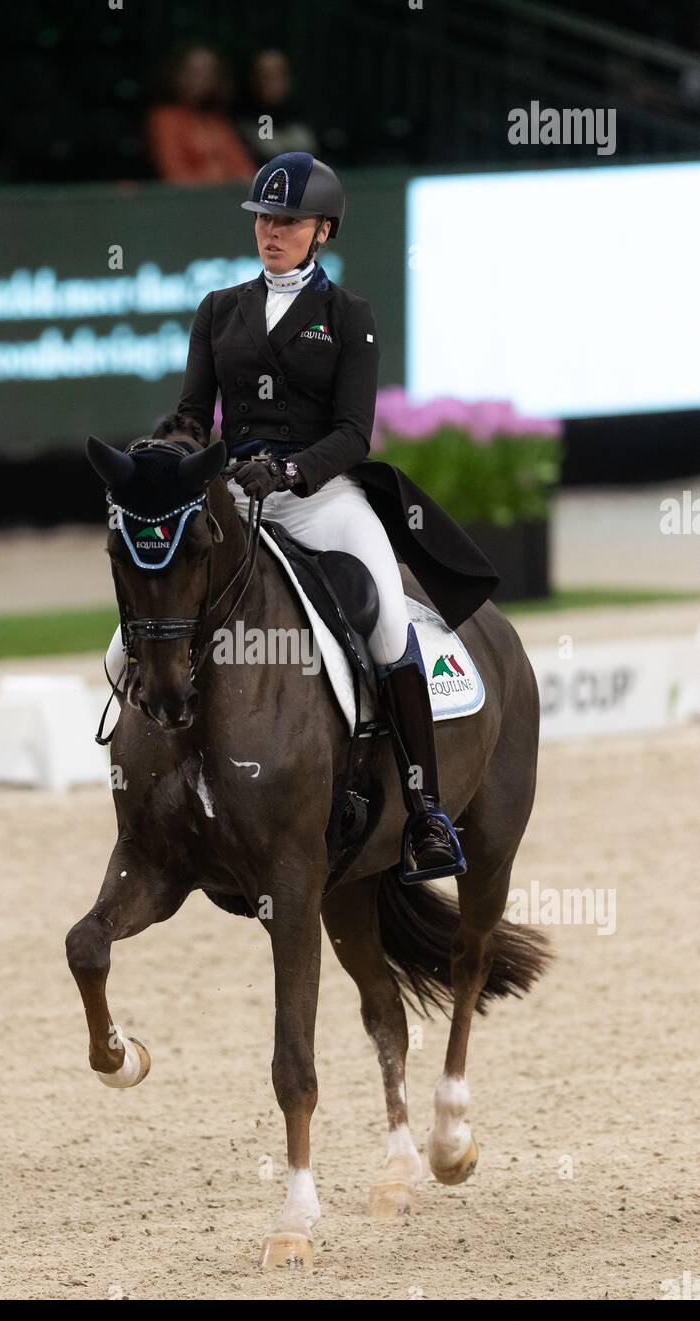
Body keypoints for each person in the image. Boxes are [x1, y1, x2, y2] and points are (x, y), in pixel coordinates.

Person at [106, 152, 500, 880]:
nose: (271, 232)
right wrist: (169, 453)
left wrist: (290, 469)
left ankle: (426, 811)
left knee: (386, 621)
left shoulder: (349, 318)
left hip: (321, 499)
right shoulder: (218, 311)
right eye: (264, 219)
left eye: (287, 221)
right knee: (133, 628)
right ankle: (156, 777)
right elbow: (194, 414)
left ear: (322, 231)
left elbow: (354, 432)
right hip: (232, 501)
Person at [145, 44, 255, 185]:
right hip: (190, 202)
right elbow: (174, 174)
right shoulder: (163, 119)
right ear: (177, 73)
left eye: (208, 72)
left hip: (227, 199)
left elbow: (244, 169)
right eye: (193, 71)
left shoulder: (217, 121)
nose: (200, 79)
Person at [235, 49, 319, 165]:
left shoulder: (307, 116)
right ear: (253, 80)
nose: (272, 83)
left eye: (278, 75)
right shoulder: (240, 122)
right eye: (265, 76)